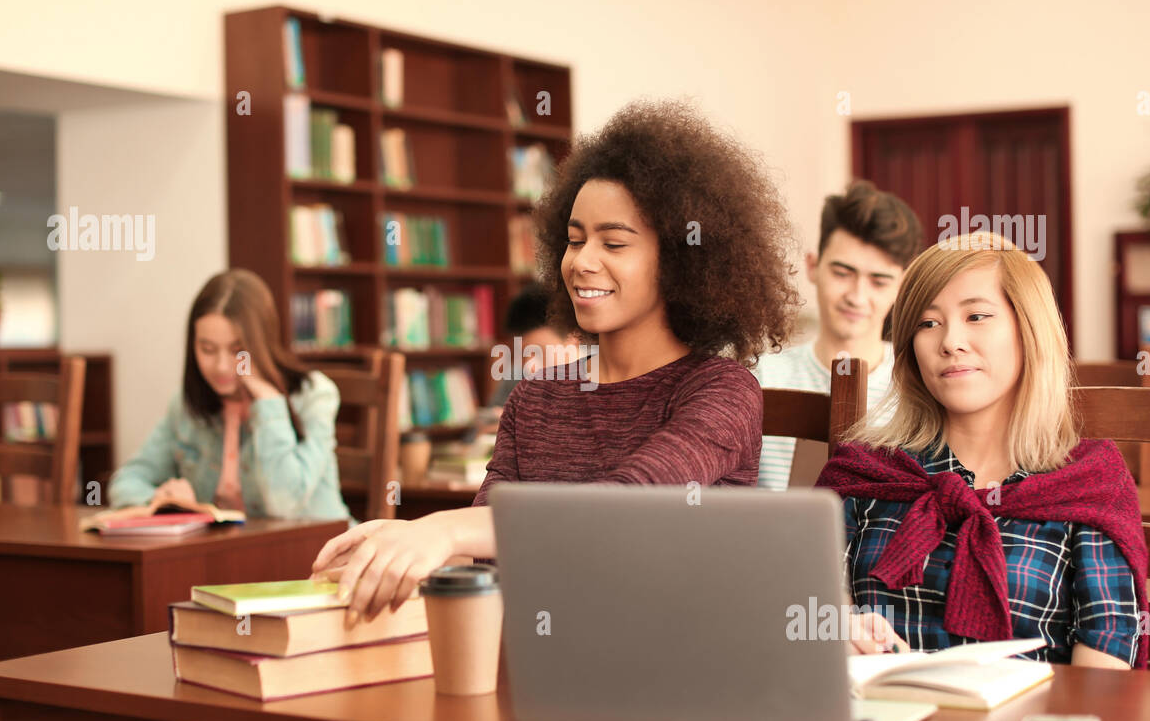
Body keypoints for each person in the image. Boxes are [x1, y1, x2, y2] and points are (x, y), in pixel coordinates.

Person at [312, 98, 801, 625]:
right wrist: (391, 551)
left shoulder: (721, 391)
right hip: (542, 652)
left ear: (683, 261)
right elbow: (488, 542)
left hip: (675, 655)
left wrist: (442, 529)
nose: (582, 262)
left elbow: (624, 506)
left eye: (614, 242)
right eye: (574, 240)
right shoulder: (538, 396)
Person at [816, 233, 1149, 667]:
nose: (950, 341)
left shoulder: (1087, 482)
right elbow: (808, 608)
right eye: (927, 323)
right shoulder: (865, 471)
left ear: (1028, 329)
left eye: (976, 316)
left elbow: (1105, 673)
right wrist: (836, 630)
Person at [109, 269, 352, 522]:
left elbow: (285, 504)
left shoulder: (313, 395)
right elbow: (126, 482)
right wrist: (162, 500)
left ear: (260, 344)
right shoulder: (187, 404)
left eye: (237, 351)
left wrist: (269, 403)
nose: (222, 366)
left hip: (317, 551)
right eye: (207, 349)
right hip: (232, 555)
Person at [754, 180, 921, 490]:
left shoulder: (920, 387)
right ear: (813, 266)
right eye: (842, 273)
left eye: (879, 281)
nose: (856, 297)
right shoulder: (761, 377)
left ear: (903, 285)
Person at [487, 281, 582, 408]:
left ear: (574, 339)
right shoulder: (517, 378)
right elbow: (484, 424)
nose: (529, 366)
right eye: (522, 355)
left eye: (537, 352)